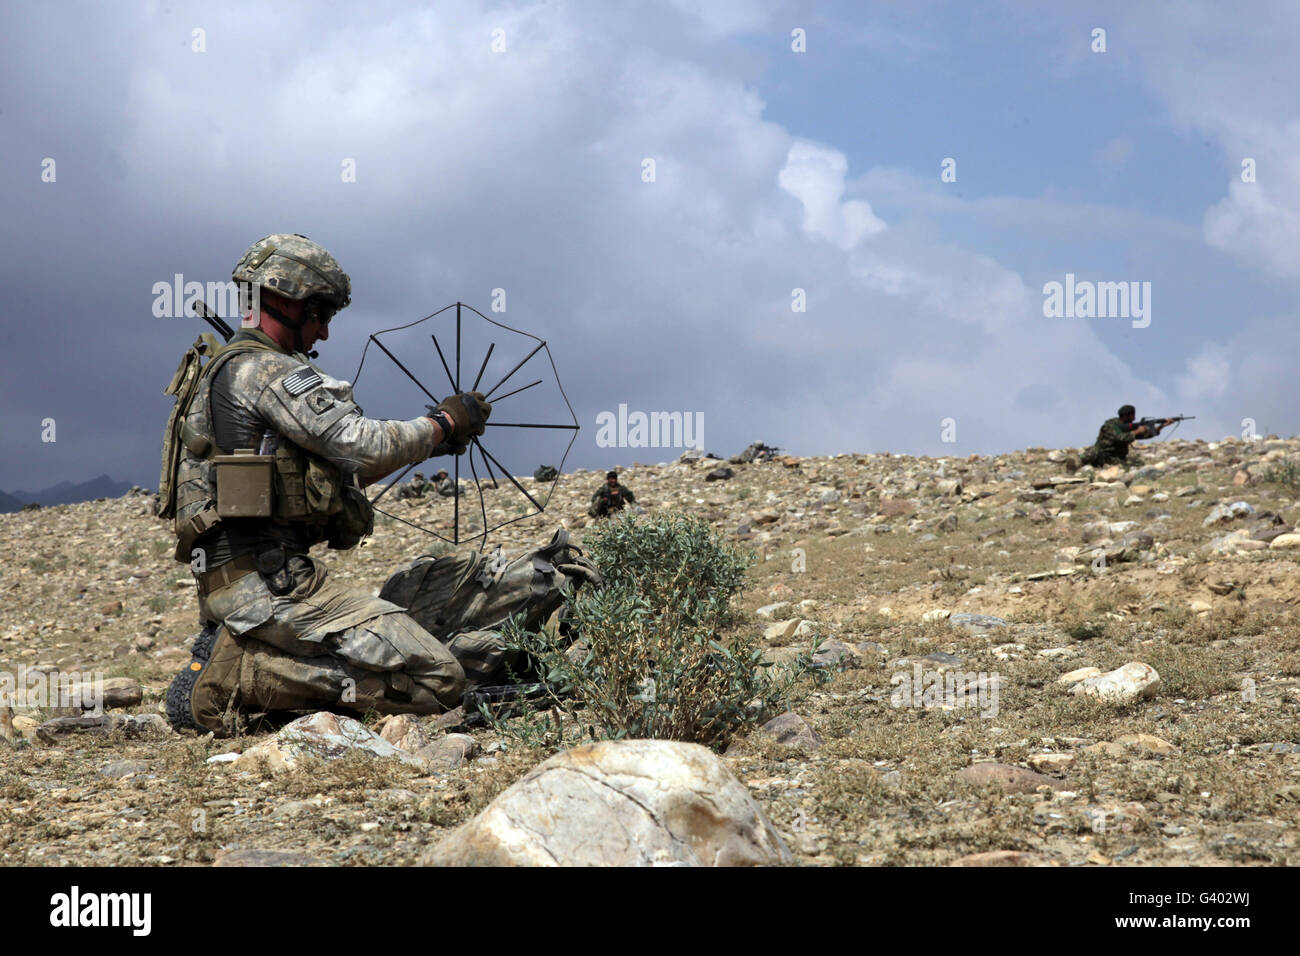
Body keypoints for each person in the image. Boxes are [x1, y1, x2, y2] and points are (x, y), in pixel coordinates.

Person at [161, 233, 495, 735]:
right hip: (273, 588)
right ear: (280, 298)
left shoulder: (227, 368)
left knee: (420, 650)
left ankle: (256, 669)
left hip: (241, 585)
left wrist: (432, 443)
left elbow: (346, 468)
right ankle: (241, 673)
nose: (323, 331)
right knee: (441, 679)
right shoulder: (266, 370)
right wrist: (444, 424)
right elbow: (363, 444)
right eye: (320, 313)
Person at [1078, 405, 1174, 468]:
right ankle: (1077, 463)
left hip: (1115, 459)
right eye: (1132, 416)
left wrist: (1162, 426)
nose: (1134, 418)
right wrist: (1137, 431)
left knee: (1138, 464)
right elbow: (1120, 437)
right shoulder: (1111, 425)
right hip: (1101, 456)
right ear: (1126, 416)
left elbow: (1146, 435)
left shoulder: (1128, 428)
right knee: (1092, 452)